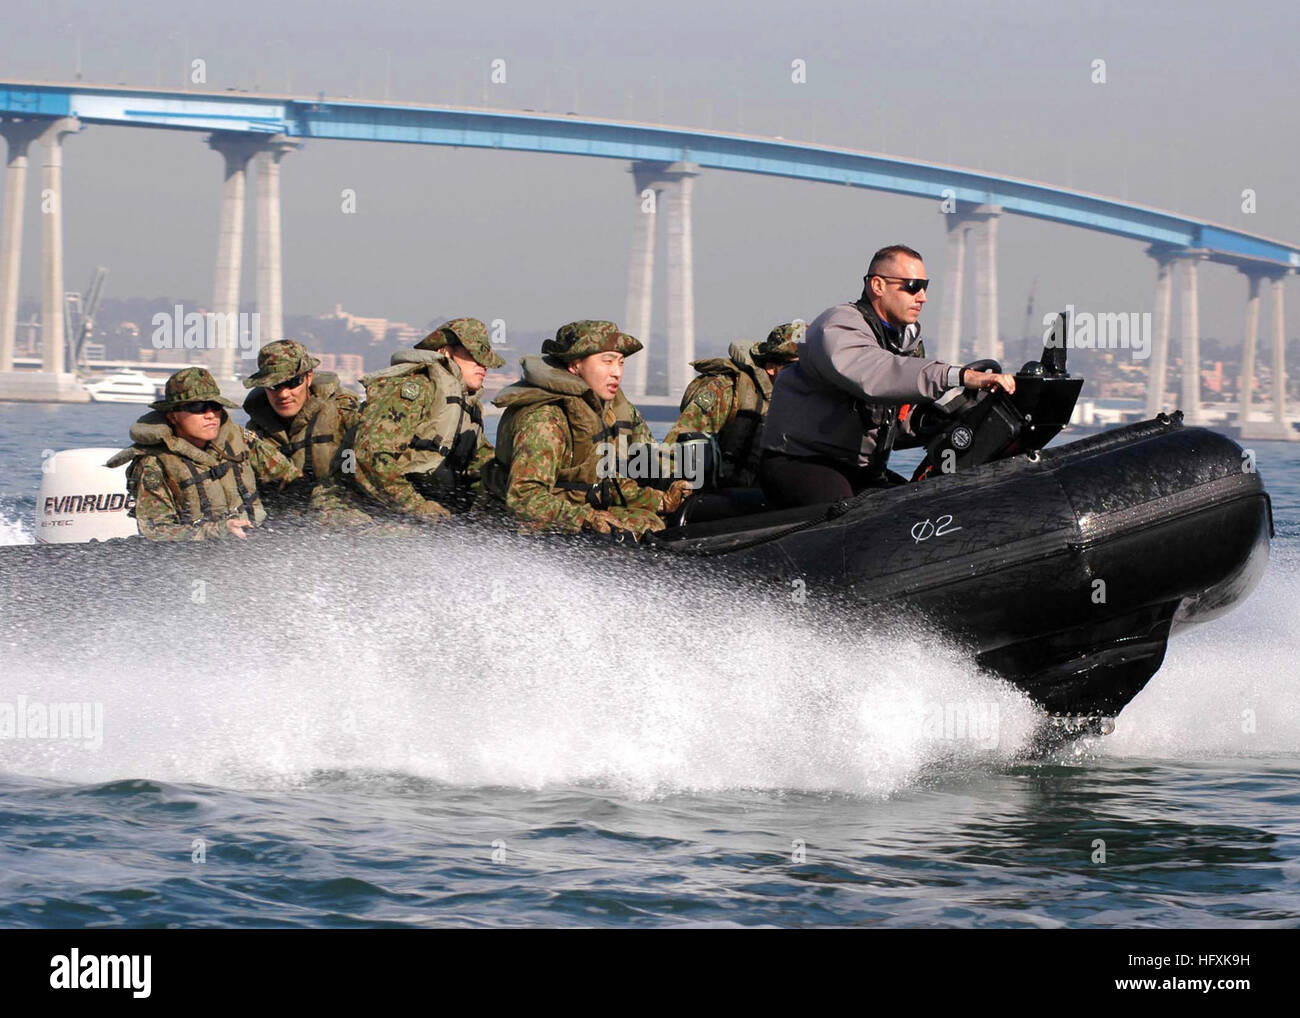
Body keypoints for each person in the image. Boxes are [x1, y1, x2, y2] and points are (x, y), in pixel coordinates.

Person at [759, 244, 1016, 507]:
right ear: (878, 286)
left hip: (862, 469)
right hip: (803, 462)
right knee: (851, 521)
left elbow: (898, 420)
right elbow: (877, 376)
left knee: (917, 508)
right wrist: (960, 375)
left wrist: (943, 415)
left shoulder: (906, 343)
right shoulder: (837, 327)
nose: (923, 297)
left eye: (925, 286)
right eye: (913, 286)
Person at [485, 320, 692, 538]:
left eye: (620, 363)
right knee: (644, 529)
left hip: (572, 515)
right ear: (575, 365)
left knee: (652, 521)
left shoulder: (595, 411)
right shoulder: (546, 420)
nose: (617, 373)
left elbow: (604, 482)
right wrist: (586, 519)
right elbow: (524, 498)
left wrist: (662, 501)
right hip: (529, 530)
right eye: (607, 361)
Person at [106, 366, 299, 540]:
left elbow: (288, 478)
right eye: (197, 407)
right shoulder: (154, 464)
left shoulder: (239, 440)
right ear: (172, 416)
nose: (210, 415)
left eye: (215, 407)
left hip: (256, 540)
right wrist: (217, 530)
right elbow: (156, 531)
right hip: (196, 556)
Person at [343, 317, 501, 519]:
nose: (483, 365)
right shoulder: (419, 388)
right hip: (376, 508)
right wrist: (418, 507)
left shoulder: (469, 408)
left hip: (429, 508)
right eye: (473, 355)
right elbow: (370, 456)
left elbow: (482, 465)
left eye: (485, 359)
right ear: (444, 352)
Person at [662, 322, 802, 489]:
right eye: (797, 366)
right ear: (772, 367)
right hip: (722, 495)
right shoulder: (727, 390)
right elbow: (674, 451)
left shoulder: (807, 401)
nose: (804, 374)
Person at [241, 340, 362, 520]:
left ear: (309, 377)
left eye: (293, 382)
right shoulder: (254, 433)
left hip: (342, 520)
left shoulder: (345, 416)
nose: (283, 394)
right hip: (281, 527)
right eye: (274, 386)